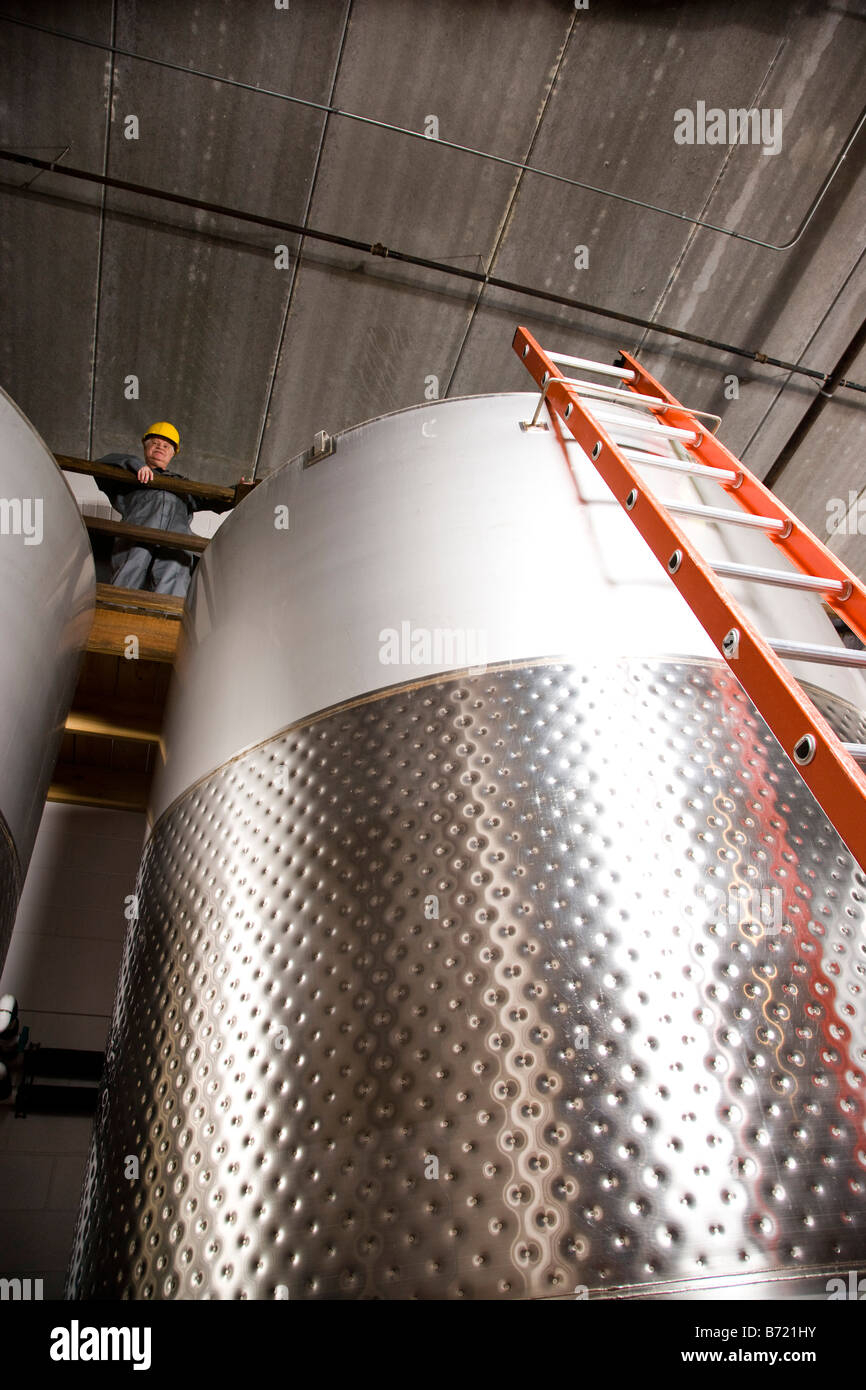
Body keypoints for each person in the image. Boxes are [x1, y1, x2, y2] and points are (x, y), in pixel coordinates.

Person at [98, 422, 250, 597]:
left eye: (166, 446)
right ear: (145, 446)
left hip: (175, 538)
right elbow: (103, 463)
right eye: (155, 443)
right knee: (130, 568)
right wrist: (135, 465)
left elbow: (212, 499)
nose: (159, 448)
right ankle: (115, 610)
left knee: (174, 574)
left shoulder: (182, 484)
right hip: (137, 532)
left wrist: (237, 490)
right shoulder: (127, 475)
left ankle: (165, 619)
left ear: (172, 453)